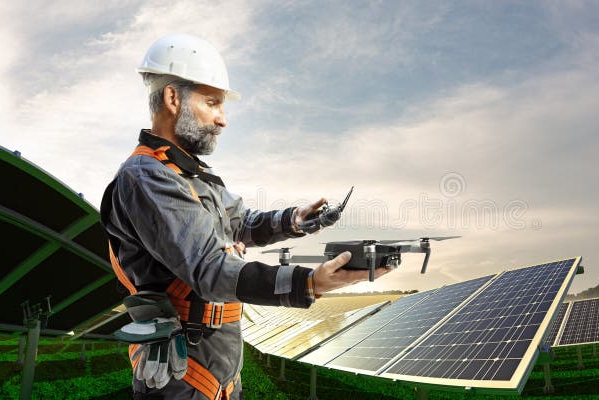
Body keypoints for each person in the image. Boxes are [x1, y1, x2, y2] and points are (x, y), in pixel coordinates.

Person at [100, 33, 390, 400]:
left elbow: (241, 223)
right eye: (212, 103)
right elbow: (210, 269)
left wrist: (294, 220)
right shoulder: (146, 178)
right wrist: (308, 282)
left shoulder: (195, 176)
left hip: (219, 373)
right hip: (180, 379)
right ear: (173, 98)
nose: (222, 120)